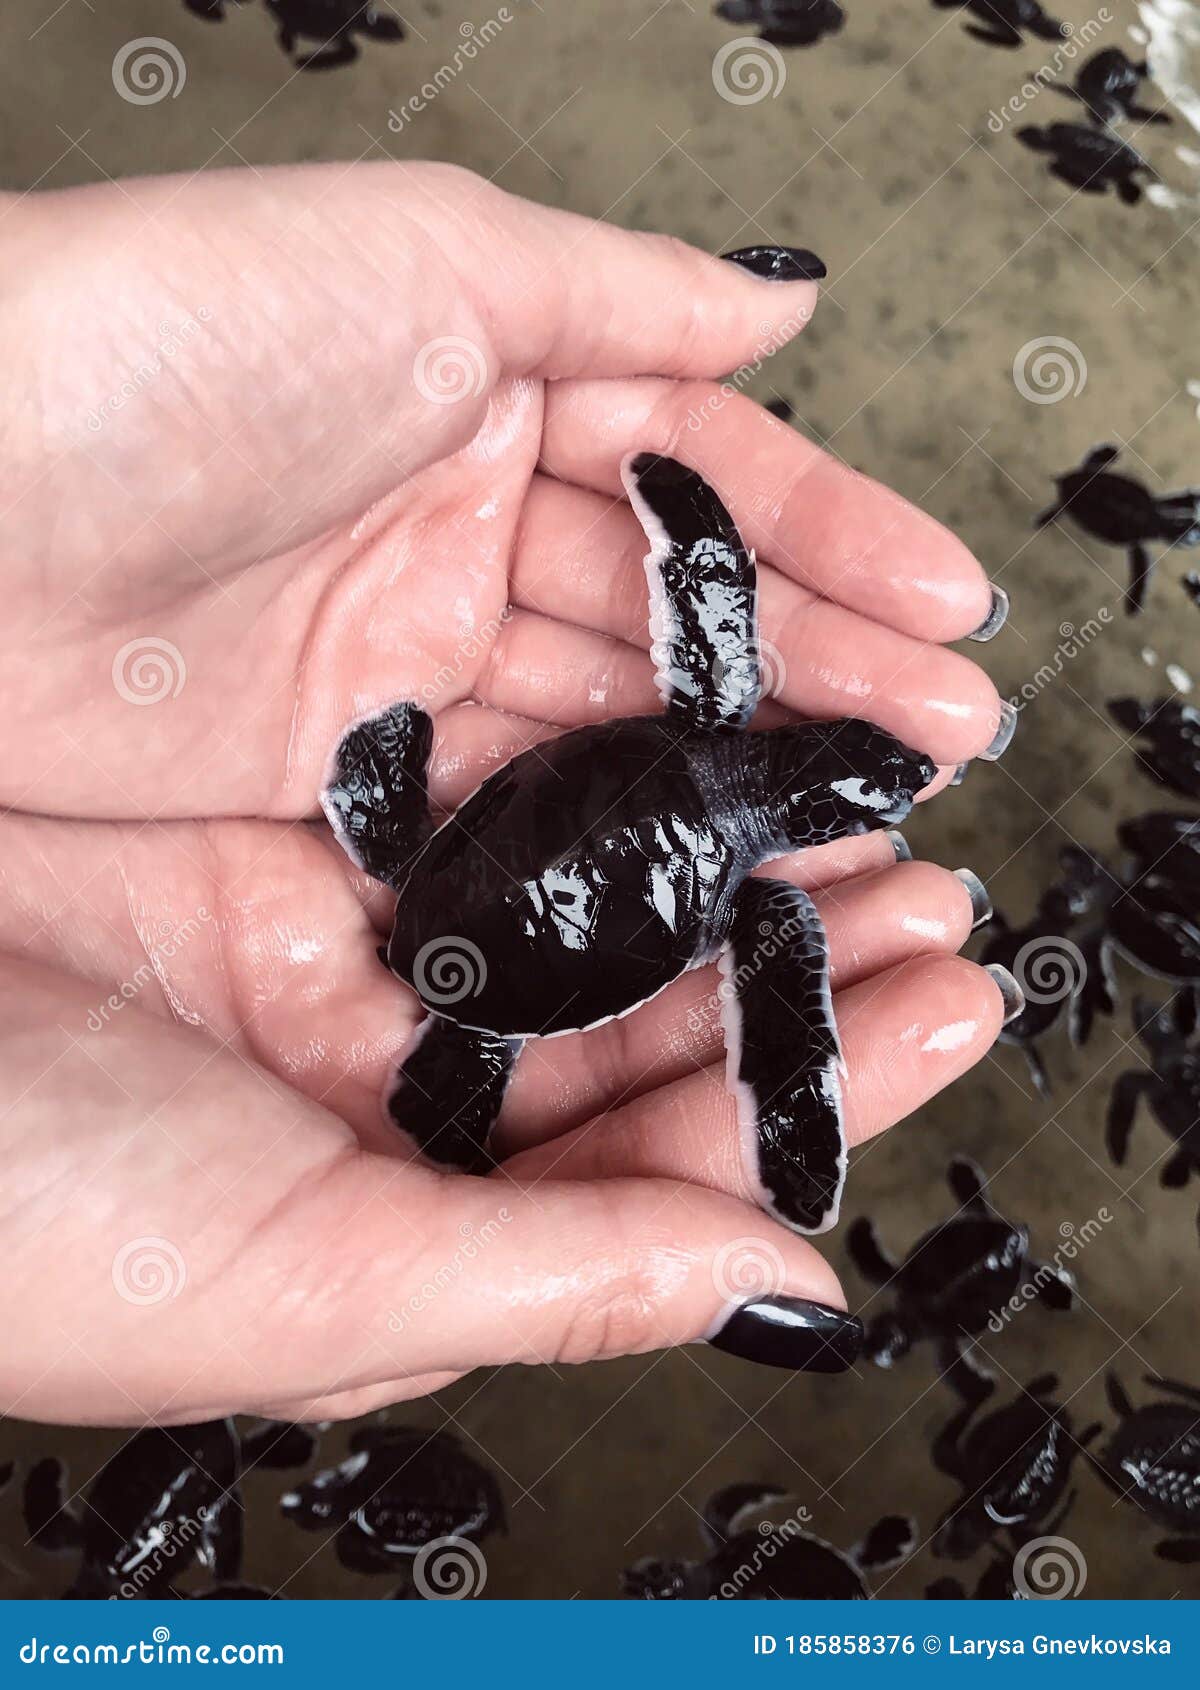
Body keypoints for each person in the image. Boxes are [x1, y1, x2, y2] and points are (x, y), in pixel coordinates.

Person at [0, 162, 1019, 1427]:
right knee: (765, 998)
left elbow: (709, 570)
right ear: (810, 816)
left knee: (659, 720)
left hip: (458, 879)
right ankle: (455, 1005)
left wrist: (685, 503)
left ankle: (413, 894)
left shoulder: (711, 713)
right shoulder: (769, 908)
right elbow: (792, 1040)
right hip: (489, 938)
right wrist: (796, 1136)